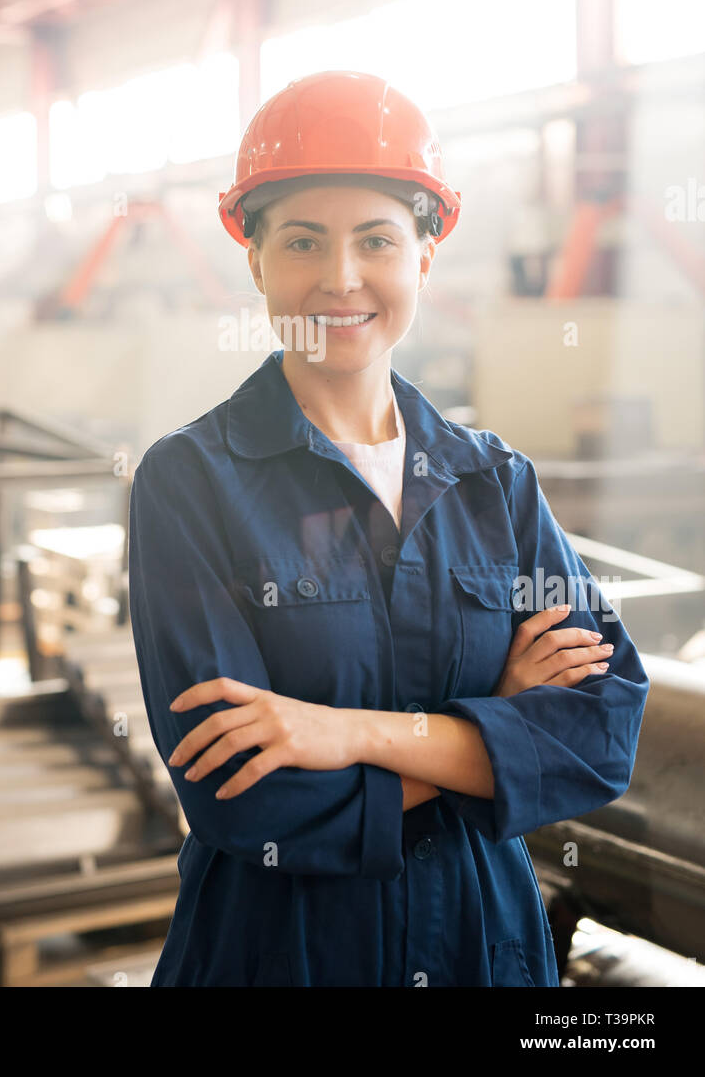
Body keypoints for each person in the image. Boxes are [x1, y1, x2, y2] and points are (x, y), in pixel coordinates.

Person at [127, 70, 649, 987]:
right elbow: (245, 800)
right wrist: (492, 730)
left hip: (480, 948)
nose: (340, 277)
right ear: (255, 262)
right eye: (302, 241)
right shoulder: (190, 484)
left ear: (424, 256)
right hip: (279, 952)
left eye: (377, 239)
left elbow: (597, 736)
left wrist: (346, 734)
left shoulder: (495, 483)